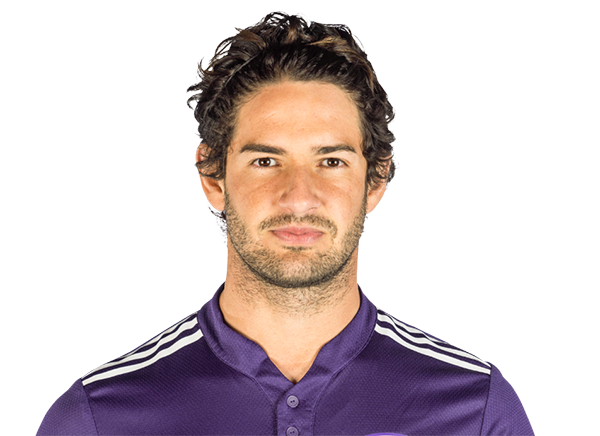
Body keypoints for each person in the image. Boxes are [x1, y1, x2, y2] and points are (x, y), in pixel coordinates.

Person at [37, 12, 534, 436]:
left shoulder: (477, 408)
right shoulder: (97, 418)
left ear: (376, 179)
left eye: (331, 161)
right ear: (212, 176)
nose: (299, 196)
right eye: (265, 161)